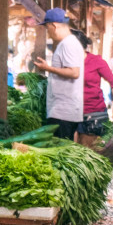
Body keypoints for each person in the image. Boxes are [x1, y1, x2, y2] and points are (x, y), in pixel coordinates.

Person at [34, 8, 84, 140]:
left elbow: (74, 72)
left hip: (63, 112)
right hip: (63, 111)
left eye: (47, 27)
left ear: (54, 25)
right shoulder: (68, 43)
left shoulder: (68, 44)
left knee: (59, 152)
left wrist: (48, 68)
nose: (48, 32)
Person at [73, 30, 113, 144]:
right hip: (72, 112)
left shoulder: (97, 61)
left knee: (89, 150)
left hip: (93, 113)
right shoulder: (67, 62)